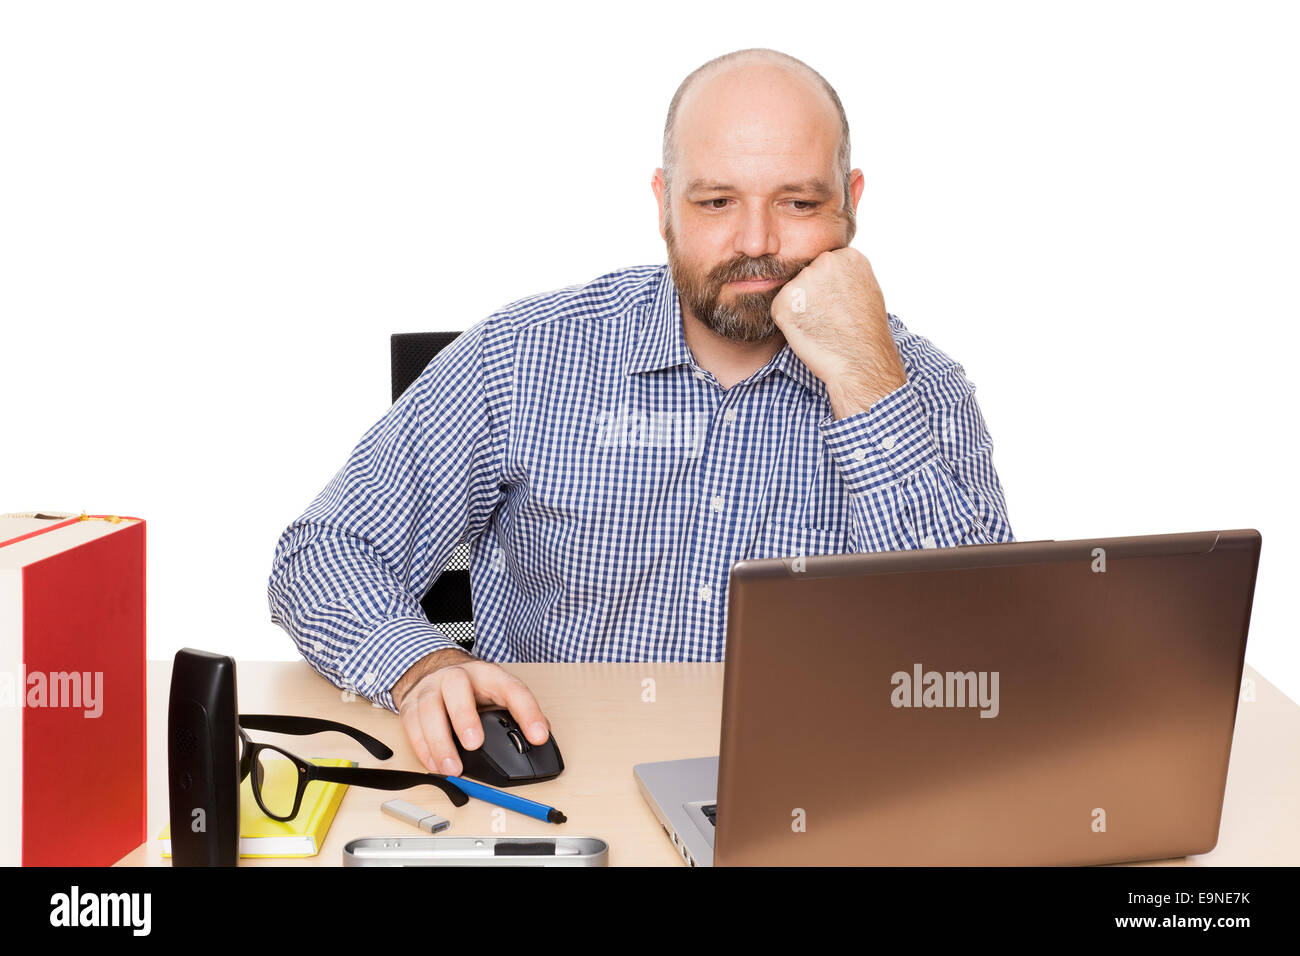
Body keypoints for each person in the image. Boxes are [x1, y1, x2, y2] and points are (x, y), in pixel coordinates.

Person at [267, 47, 1014, 778]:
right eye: (717, 202)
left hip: (820, 793)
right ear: (663, 204)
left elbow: (980, 673)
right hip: (567, 788)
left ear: (851, 205)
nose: (756, 243)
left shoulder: (923, 389)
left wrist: (866, 384)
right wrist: (420, 663)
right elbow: (323, 549)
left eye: (798, 203)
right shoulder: (525, 356)